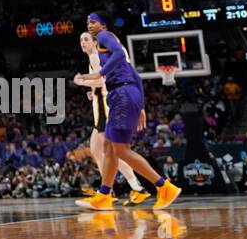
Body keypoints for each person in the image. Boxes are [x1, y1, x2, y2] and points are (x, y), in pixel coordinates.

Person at [73, 13, 181, 212]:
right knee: (109, 146)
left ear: (103, 25)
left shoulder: (104, 37)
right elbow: (135, 74)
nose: (89, 25)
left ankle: (164, 187)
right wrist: (141, 105)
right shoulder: (110, 45)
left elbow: (120, 57)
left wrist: (98, 73)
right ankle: (104, 195)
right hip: (126, 93)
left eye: (93, 22)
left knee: (120, 149)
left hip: (121, 94)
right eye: (87, 22)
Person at [76, 32, 151, 206]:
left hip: (105, 109)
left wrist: (82, 82)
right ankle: (126, 189)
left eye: (86, 39)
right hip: (101, 106)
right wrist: (92, 92)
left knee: (110, 150)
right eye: (81, 40)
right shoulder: (93, 58)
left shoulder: (95, 57)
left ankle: (112, 192)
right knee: (98, 150)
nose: (83, 42)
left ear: (95, 43)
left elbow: (101, 81)